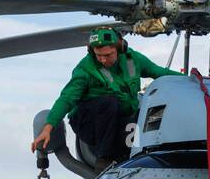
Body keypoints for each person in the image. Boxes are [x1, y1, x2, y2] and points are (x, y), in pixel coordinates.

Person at [31, 27, 183, 162]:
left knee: (150, 114)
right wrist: (48, 128)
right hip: (88, 123)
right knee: (109, 102)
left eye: (108, 55)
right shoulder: (85, 69)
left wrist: (191, 79)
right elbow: (67, 98)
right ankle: (104, 158)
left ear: (119, 48)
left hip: (119, 120)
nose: (103, 60)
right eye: (98, 55)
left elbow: (159, 72)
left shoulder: (132, 59)